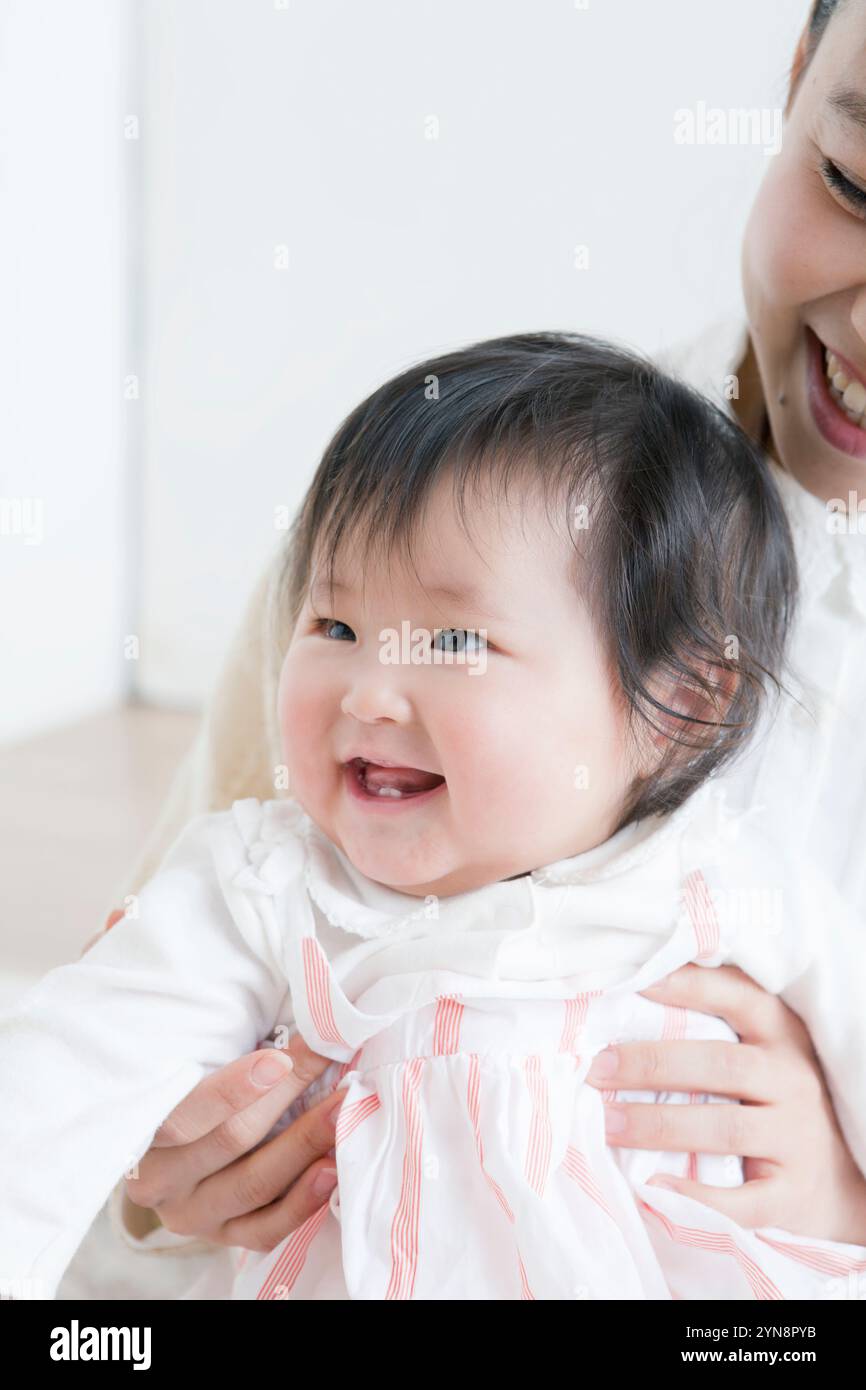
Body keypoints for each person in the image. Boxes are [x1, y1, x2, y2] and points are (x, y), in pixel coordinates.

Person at [92, 0, 866, 1284]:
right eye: (850, 183)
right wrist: (168, 1160)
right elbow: (145, 1040)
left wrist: (844, 1206)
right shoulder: (439, 523)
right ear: (792, 83)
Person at [5, 331, 866, 1301]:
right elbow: (68, 1071)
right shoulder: (268, 886)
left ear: (679, 703)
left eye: (454, 641)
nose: (369, 691)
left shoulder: (722, 883)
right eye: (335, 625)